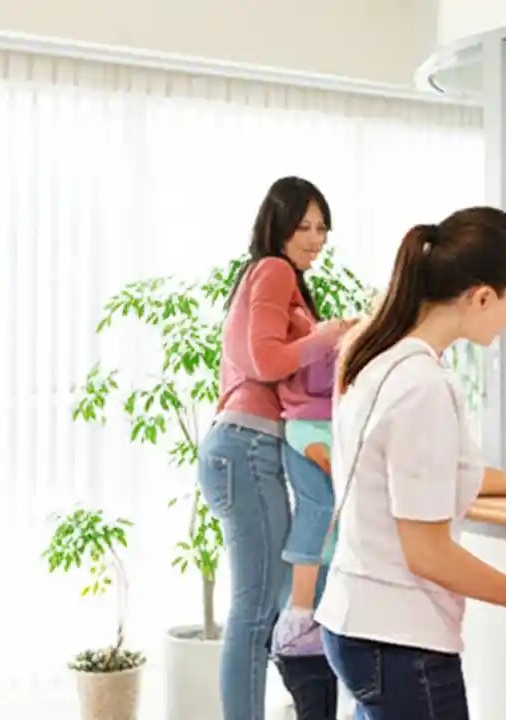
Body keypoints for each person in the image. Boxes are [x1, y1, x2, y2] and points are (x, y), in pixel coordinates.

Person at [315, 207, 506, 719]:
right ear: (482, 297)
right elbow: (427, 554)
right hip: (399, 640)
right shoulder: (421, 386)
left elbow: (418, 471)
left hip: (358, 623)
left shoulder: (377, 354)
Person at [196, 176, 354, 720]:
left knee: (291, 593)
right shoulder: (274, 269)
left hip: (246, 448)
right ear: (277, 226)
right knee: (256, 609)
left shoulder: (279, 278)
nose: (316, 237)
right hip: (245, 446)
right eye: (303, 225)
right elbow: (266, 361)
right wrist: (328, 334)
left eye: (322, 226)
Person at [271, 344, 341, 720]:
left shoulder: (321, 424)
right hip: (311, 563)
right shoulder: (303, 426)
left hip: (329, 565)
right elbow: (334, 467)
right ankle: (296, 621)